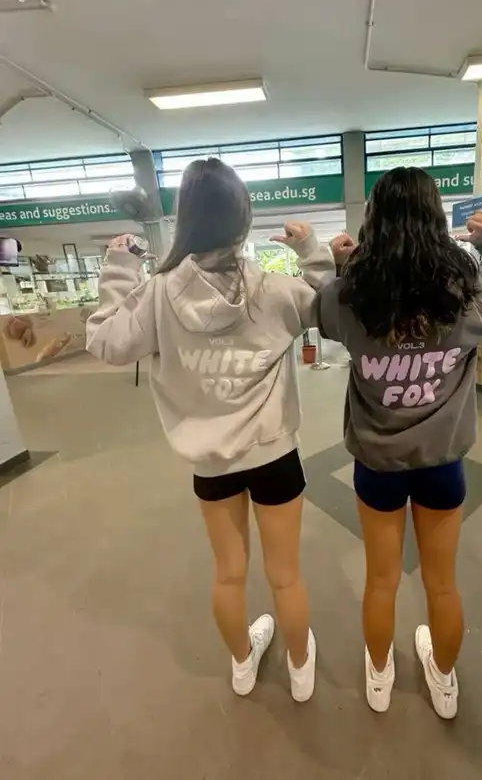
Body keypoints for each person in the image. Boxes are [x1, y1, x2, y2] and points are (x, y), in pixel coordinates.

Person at [86, 158, 335, 702]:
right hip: (274, 455)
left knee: (228, 574)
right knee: (286, 576)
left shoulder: (157, 294)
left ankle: (242, 665)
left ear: (186, 220)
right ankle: (300, 669)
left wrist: (119, 268)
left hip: (210, 463)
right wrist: (312, 251)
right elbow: (337, 310)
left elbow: (106, 342)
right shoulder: (275, 290)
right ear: (242, 219)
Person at [323, 167, 482, 717]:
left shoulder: (351, 295)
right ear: (437, 218)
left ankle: (379, 676)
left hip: (376, 463)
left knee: (380, 580)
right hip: (442, 464)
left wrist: (340, 264)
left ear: (373, 220)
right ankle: (443, 682)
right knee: (442, 584)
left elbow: (319, 315)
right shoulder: (470, 289)